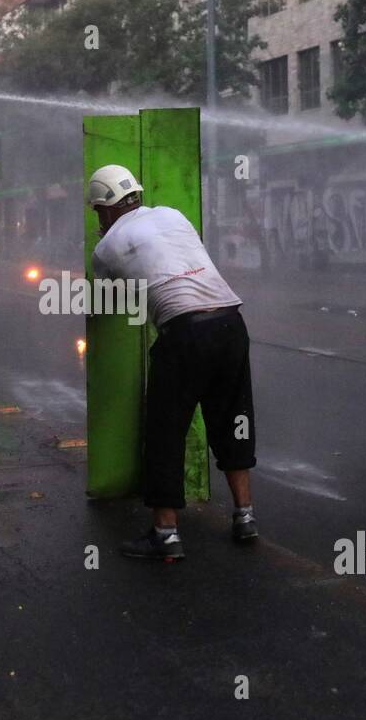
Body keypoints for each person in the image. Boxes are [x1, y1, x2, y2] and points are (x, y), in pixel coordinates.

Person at [88, 164, 258, 561]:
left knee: (165, 432)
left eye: (98, 211)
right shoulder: (172, 214)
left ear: (106, 207)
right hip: (231, 322)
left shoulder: (106, 246)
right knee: (233, 417)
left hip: (185, 332)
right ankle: (245, 516)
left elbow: (111, 297)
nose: (98, 218)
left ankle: (166, 534)